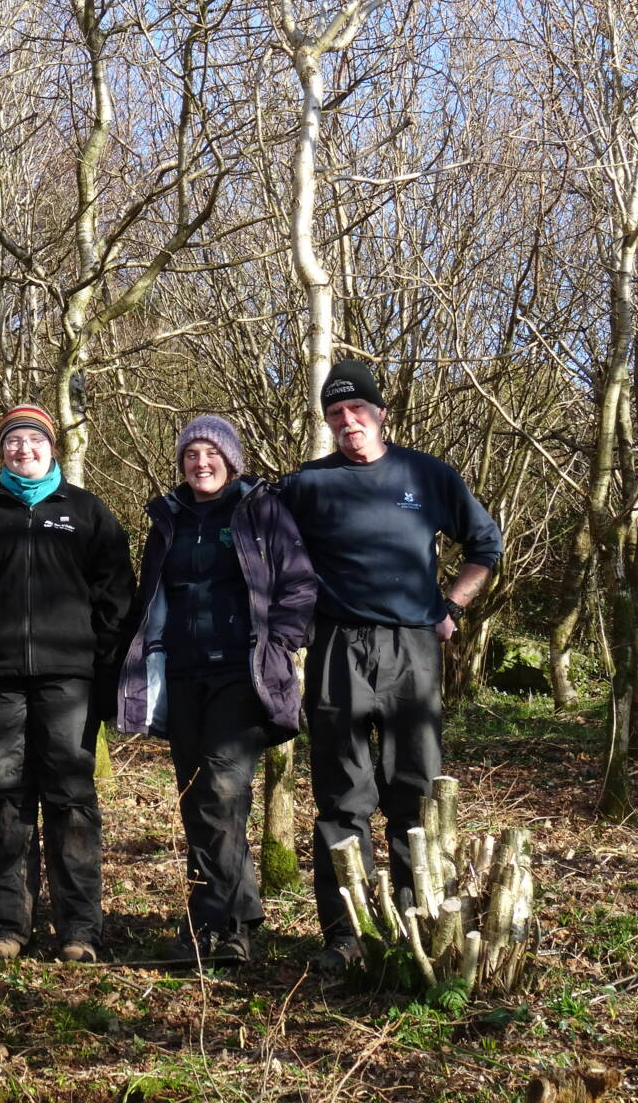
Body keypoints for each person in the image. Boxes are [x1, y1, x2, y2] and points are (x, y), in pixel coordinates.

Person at [280, 360, 503, 973]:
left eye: (356, 410)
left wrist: (450, 603)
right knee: (341, 796)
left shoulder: (426, 475)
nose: (347, 422)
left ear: (380, 412)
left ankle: (417, 923)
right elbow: (254, 536)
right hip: (337, 650)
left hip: (412, 651)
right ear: (326, 423)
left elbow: (486, 544)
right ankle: (347, 935)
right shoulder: (307, 486)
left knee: (415, 793)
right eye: (335, 414)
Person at [0, 405, 134, 963]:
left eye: (33, 441)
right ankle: (4, 923)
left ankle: (79, 929)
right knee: (2, 796)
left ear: (52, 448)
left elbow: (117, 600)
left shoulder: (87, 512)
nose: (23, 449)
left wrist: (109, 673)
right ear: (2, 452)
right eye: (13, 442)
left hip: (69, 680)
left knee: (71, 797)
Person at [116, 416, 316, 966]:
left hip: (242, 674)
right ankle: (224, 922)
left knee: (224, 795)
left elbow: (298, 583)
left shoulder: (259, 509)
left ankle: (225, 926)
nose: (200, 464)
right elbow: (150, 594)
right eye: (191, 455)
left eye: (211, 454)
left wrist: (281, 644)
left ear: (231, 460)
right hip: (182, 674)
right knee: (196, 797)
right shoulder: (168, 518)